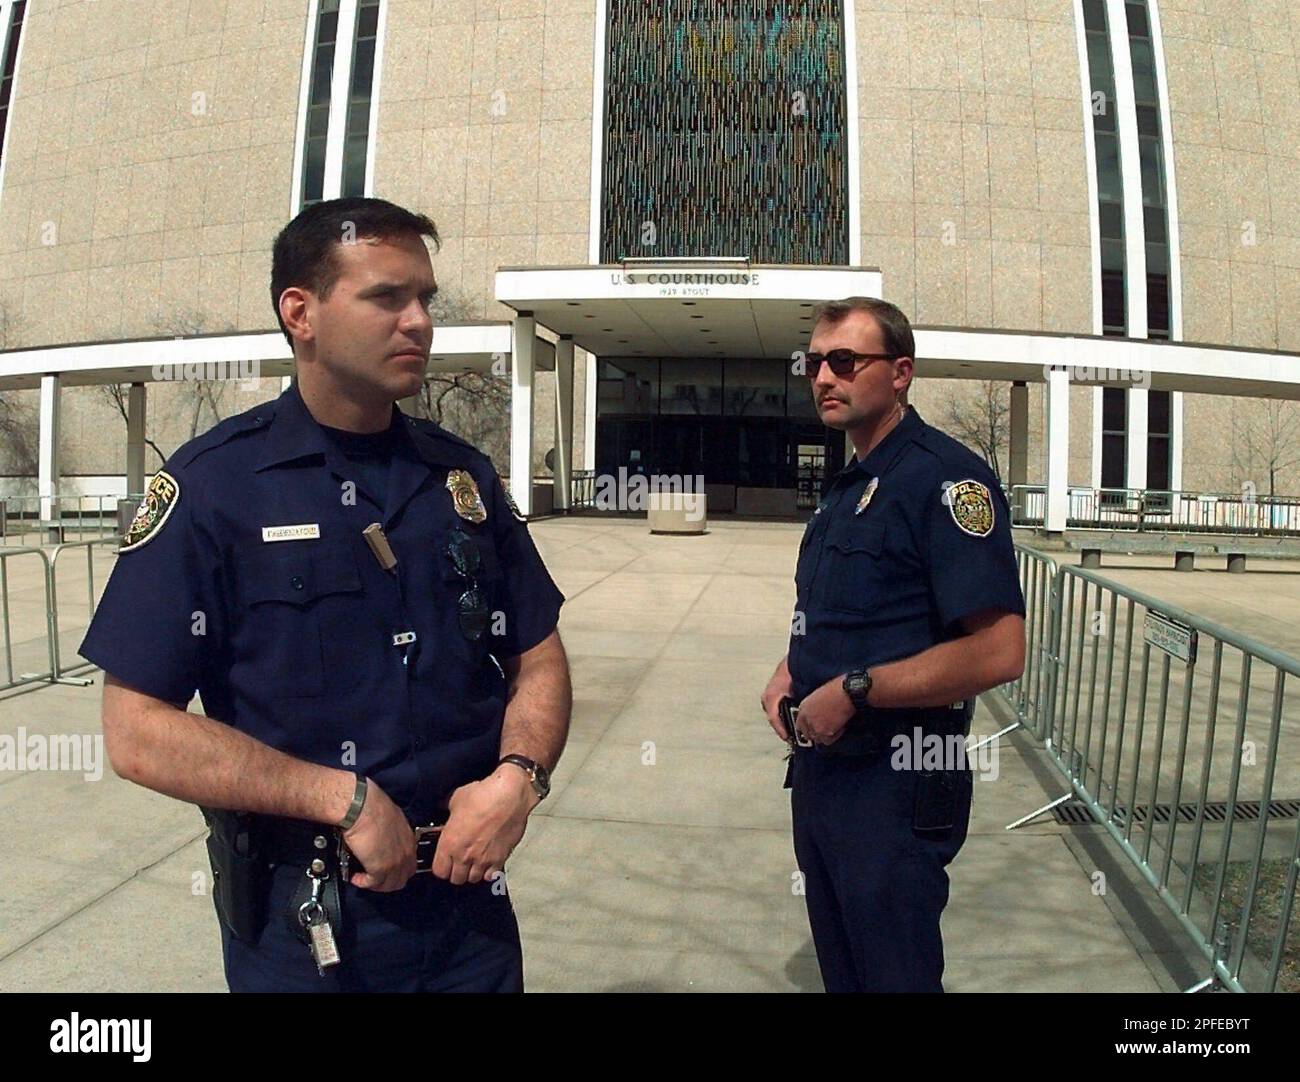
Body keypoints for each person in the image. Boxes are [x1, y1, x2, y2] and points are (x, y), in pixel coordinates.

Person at [80, 196, 571, 993]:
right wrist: (339, 798)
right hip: (305, 921)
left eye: (426, 300)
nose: (418, 322)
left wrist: (519, 778)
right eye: (386, 297)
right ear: (300, 313)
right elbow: (136, 730)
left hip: (468, 912)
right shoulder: (214, 489)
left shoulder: (458, 478)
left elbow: (538, 656)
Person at [760, 297, 1025, 993]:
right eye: (815, 362)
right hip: (823, 776)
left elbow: (999, 651)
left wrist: (855, 689)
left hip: (897, 780)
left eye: (845, 361)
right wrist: (791, 669)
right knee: (846, 974)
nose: (823, 376)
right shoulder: (848, 487)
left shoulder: (947, 481)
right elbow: (839, 613)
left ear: (901, 372)